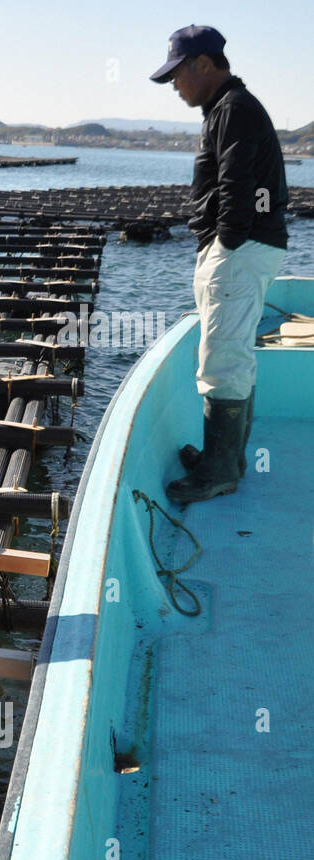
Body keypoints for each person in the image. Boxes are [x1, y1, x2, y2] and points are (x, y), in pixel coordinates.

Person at [150, 25, 288, 503]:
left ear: (203, 65)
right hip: (248, 247)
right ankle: (225, 459)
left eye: (177, 74)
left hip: (241, 249)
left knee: (222, 360)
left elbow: (237, 185)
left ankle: (220, 471)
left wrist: (223, 245)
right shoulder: (229, 108)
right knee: (233, 355)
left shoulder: (233, 109)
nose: (174, 85)